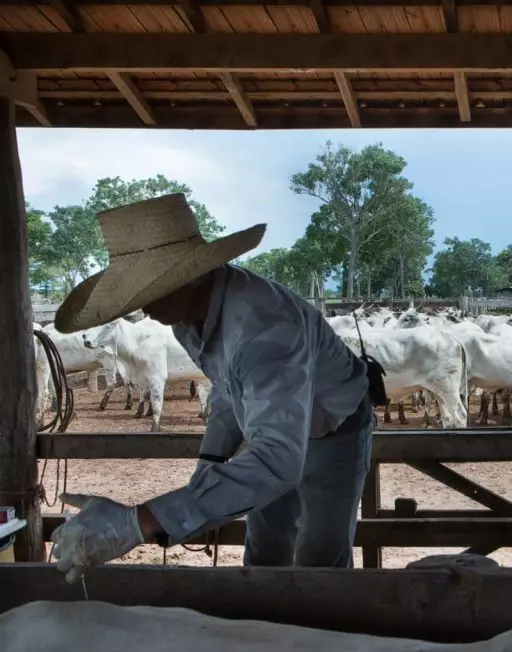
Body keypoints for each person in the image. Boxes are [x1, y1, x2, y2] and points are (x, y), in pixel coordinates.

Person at [50, 193, 374, 582]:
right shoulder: (186, 318)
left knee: (321, 557)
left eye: (150, 292)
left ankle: (324, 636)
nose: (144, 308)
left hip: (333, 425)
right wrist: (209, 472)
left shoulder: (263, 327)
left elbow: (278, 461)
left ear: (190, 275)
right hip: (268, 430)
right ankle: (260, 627)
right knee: (265, 545)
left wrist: (140, 522)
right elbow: (227, 392)